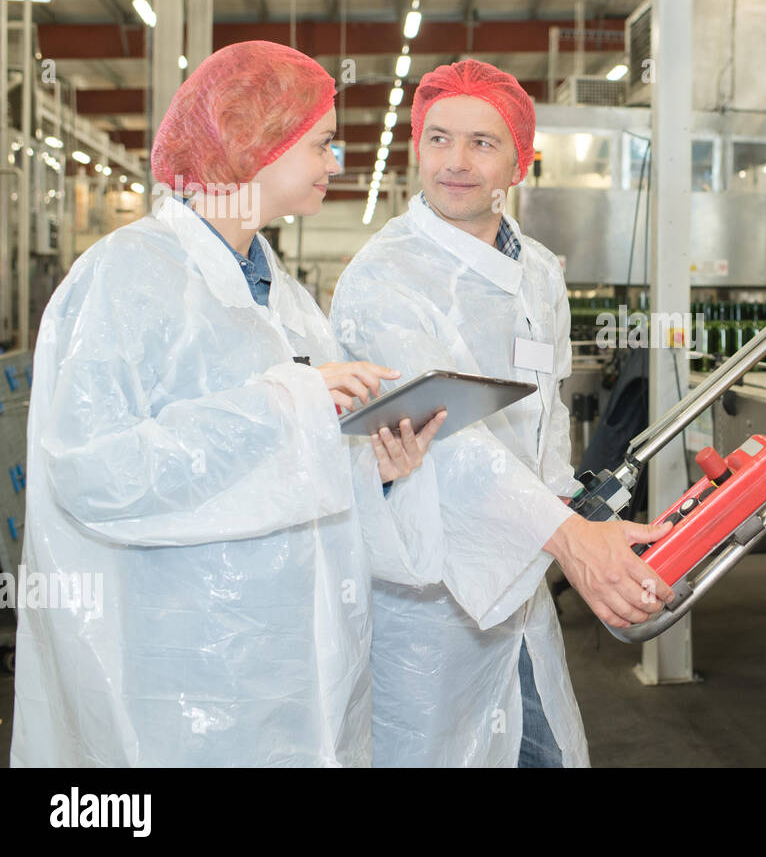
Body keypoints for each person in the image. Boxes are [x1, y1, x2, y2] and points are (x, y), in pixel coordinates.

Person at [11, 40, 441, 767]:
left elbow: (286, 471)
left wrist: (379, 469)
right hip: (183, 677)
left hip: (295, 669)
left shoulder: (283, 293)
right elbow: (96, 474)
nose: (335, 165)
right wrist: (283, 402)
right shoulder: (127, 277)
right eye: (322, 145)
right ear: (253, 142)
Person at [329, 59, 673, 768]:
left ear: (519, 160)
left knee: (537, 743)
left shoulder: (540, 270)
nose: (455, 163)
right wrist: (571, 539)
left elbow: (542, 417)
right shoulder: (383, 277)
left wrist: (578, 516)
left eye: (482, 143)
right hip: (429, 595)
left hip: (522, 576)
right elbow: (448, 439)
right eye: (437, 139)